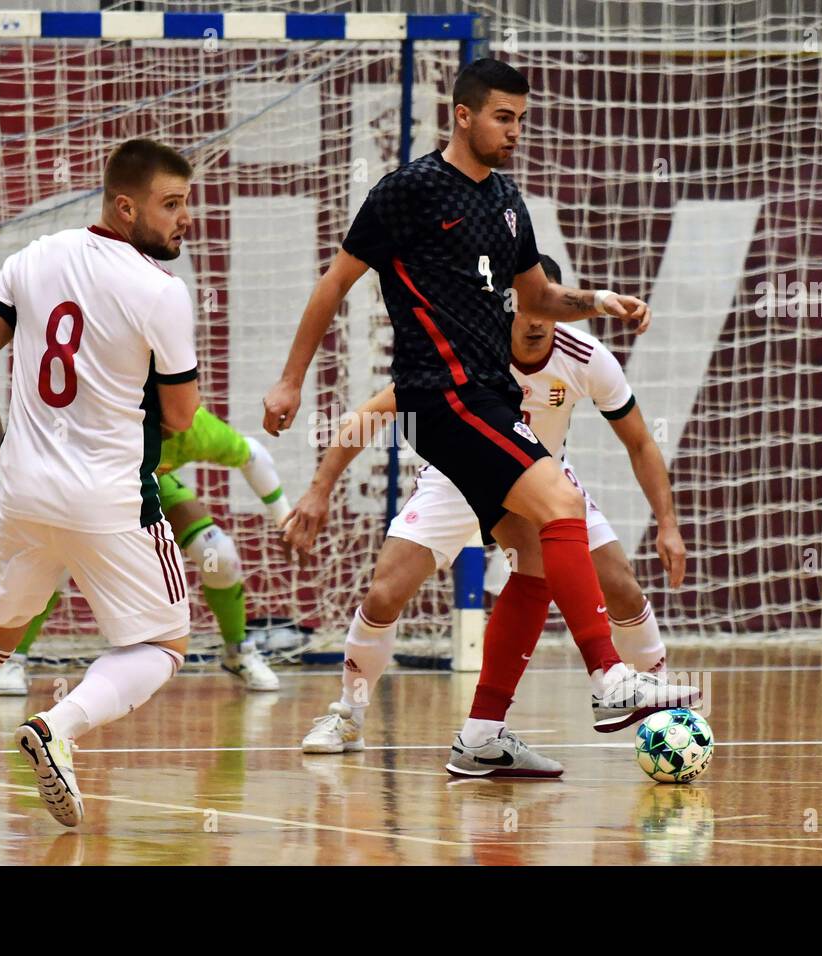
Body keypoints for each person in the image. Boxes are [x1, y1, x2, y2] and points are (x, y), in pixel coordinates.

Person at [263, 59, 657, 776]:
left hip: (488, 399)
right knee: (561, 501)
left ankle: (481, 736)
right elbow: (335, 283)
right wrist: (291, 380)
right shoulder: (408, 191)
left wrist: (601, 302)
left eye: (521, 119)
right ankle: (607, 679)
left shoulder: (507, 200)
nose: (514, 131)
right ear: (463, 115)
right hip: (440, 393)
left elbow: (536, 297)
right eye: (503, 117)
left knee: (535, 552)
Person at [0, 138, 199, 828]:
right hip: (111, 498)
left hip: (21, 492)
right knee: (164, 645)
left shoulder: (32, 258)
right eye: (170, 204)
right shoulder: (161, 292)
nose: (183, 219)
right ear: (124, 205)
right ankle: (58, 726)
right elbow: (179, 415)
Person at [286, 255, 696, 776]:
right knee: (386, 592)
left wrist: (667, 522)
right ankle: (348, 715)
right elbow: (376, 412)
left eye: (541, 307)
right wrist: (319, 489)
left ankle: (658, 705)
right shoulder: (472, 351)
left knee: (618, 582)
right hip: (456, 475)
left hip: (540, 479)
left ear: (558, 309)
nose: (530, 320)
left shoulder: (587, 356)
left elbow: (639, 441)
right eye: (520, 306)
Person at [0, 405, 292, 694]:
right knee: (57, 555)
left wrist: (285, 522)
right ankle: (15, 660)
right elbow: (23, 481)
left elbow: (254, 456)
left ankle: (238, 650)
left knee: (218, 553)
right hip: (87, 492)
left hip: (149, 488)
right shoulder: (97, 423)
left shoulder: (194, 425)